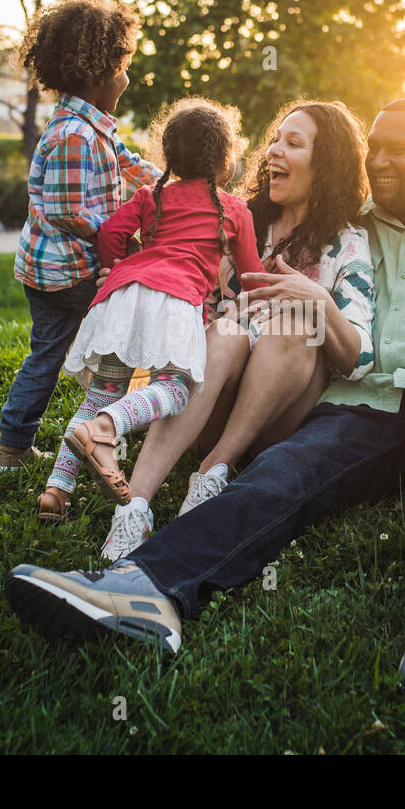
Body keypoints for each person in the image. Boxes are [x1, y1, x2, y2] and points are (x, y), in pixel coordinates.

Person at [4, 98, 405, 696]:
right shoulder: (353, 223)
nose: (382, 160)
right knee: (277, 473)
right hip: (373, 403)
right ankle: (145, 587)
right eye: (375, 148)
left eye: (399, 149)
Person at [104, 100, 377, 550]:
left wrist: (320, 302)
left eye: (293, 143)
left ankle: (213, 473)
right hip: (207, 402)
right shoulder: (233, 218)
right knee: (227, 332)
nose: (273, 152)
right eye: (274, 140)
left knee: (295, 317)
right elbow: (174, 282)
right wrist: (127, 273)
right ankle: (133, 507)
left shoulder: (347, 246)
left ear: (325, 164)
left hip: (280, 413)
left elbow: (358, 358)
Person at [44, 98, 269, 559]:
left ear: (168, 157)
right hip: (175, 303)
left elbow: (109, 234)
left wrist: (118, 266)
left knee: (100, 392)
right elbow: (250, 271)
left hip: (123, 296)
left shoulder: (151, 197)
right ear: (226, 161)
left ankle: (56, 490)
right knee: (177, 390)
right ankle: (107, 428)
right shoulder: (233, 209)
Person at [0, 0, 161, 476]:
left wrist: (173, 183)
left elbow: (130, 163)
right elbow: (66, 211)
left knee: (47, 352)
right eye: (123, 67)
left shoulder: (92, 126)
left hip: (56, 269)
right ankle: (106, 428)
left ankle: (14, 448)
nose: (128, 79)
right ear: (98, 72)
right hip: (65, 273)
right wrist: (117, 232)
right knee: (127, 330)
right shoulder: (73, 136)